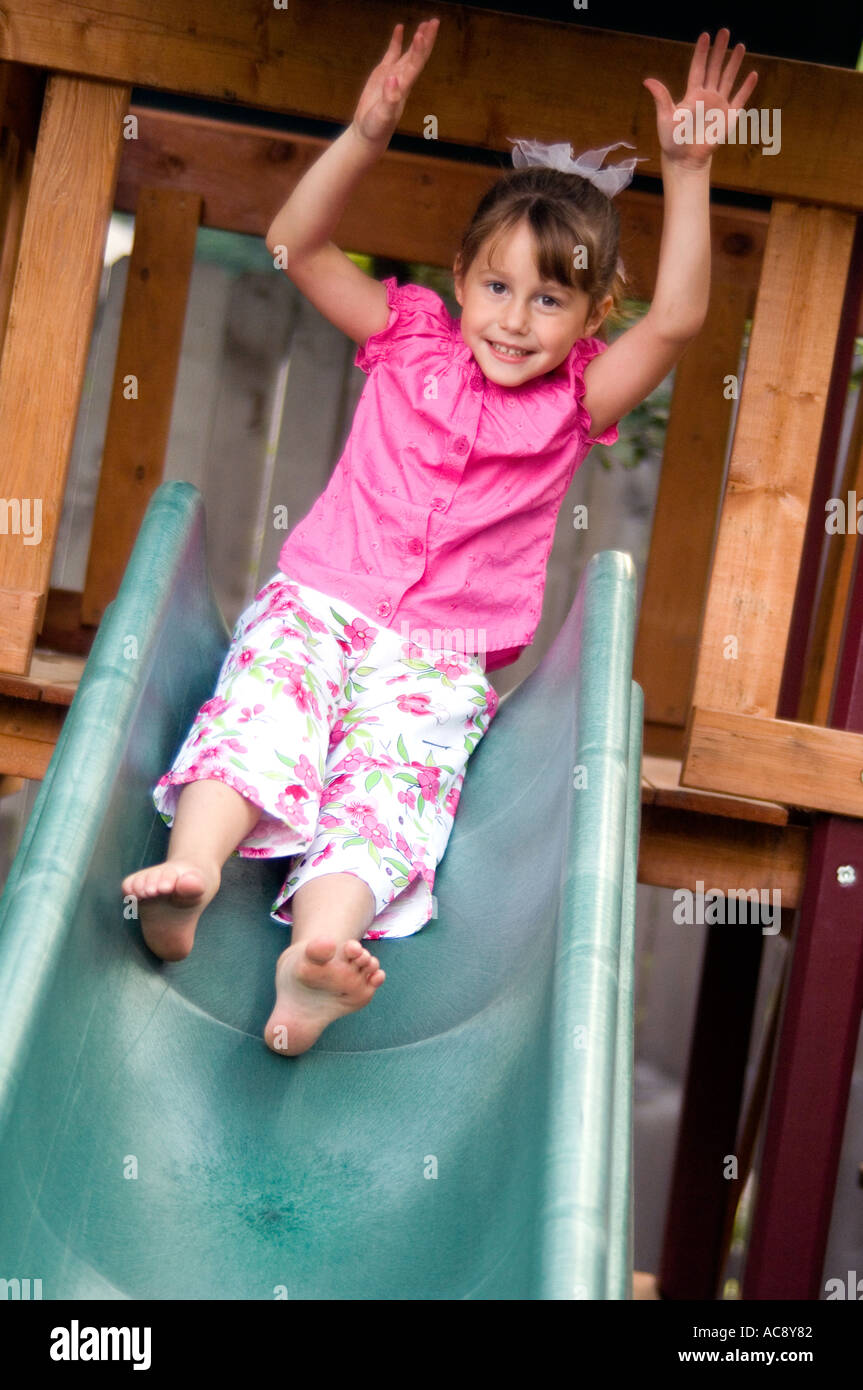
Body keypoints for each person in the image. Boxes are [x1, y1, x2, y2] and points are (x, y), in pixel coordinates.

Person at [121, 18, 756, 1056]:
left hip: (440, 661)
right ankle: (190, 873)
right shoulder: (406, 332)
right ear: (459, 277)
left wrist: (686, 171)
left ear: (592, 313)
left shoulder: (576, 398)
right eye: (497, 287)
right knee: (264, 707)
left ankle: (316, 959)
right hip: (320, 602)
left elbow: (680, 319)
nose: (514, 319)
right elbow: (296, 243)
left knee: (392, 784)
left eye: (549, 299)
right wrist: (365, 133)